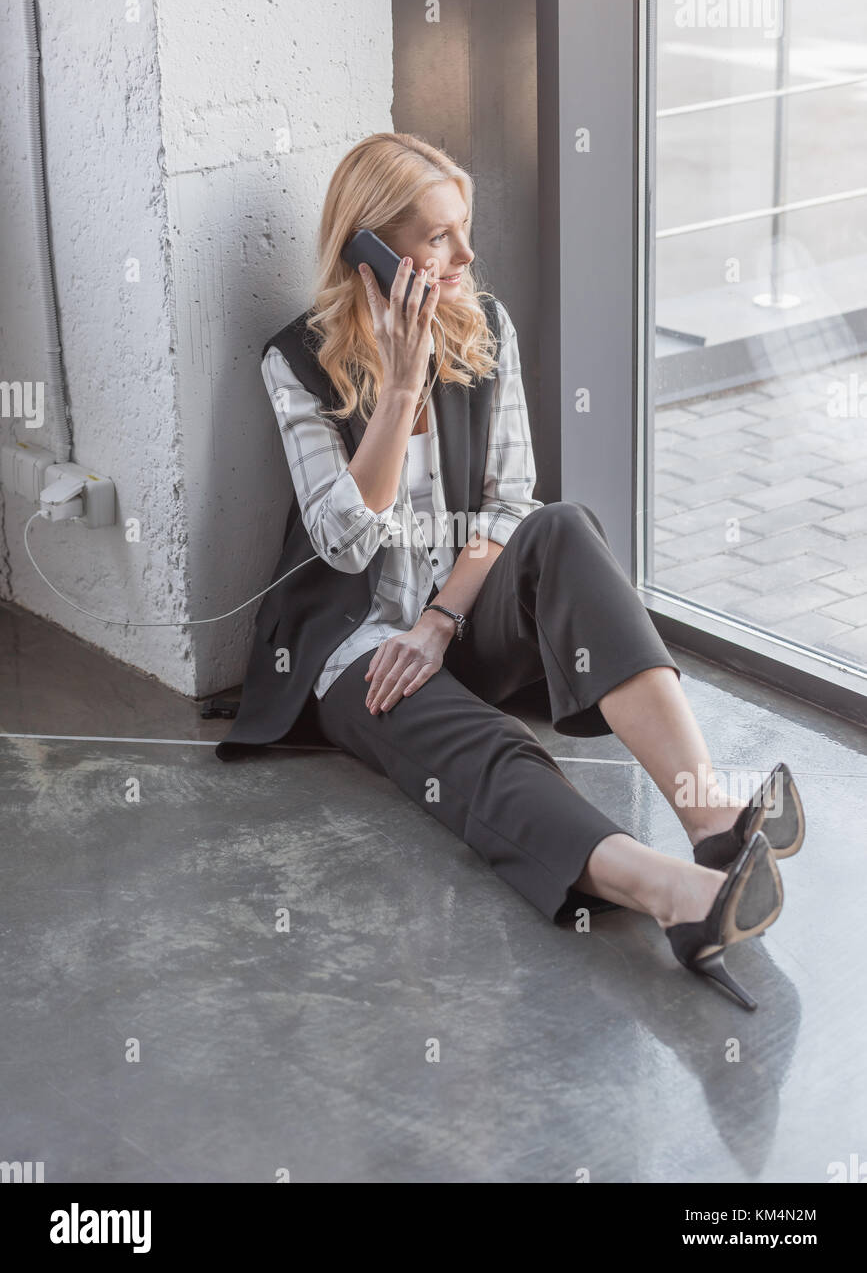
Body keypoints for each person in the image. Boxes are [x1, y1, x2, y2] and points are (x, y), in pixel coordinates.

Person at [225, 132, 806, 1010]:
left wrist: (440, 621)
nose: (464, 255)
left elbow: (509, 502)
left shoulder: (484, 325)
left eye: (463, 229)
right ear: (370, 249)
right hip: (352, 646)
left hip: (452, 619)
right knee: (489, 748)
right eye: (436, 239)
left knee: (564, 525)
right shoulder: (296, 362)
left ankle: (711, 823)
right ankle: (675, 897)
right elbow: (343, 543)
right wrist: (398, 389)